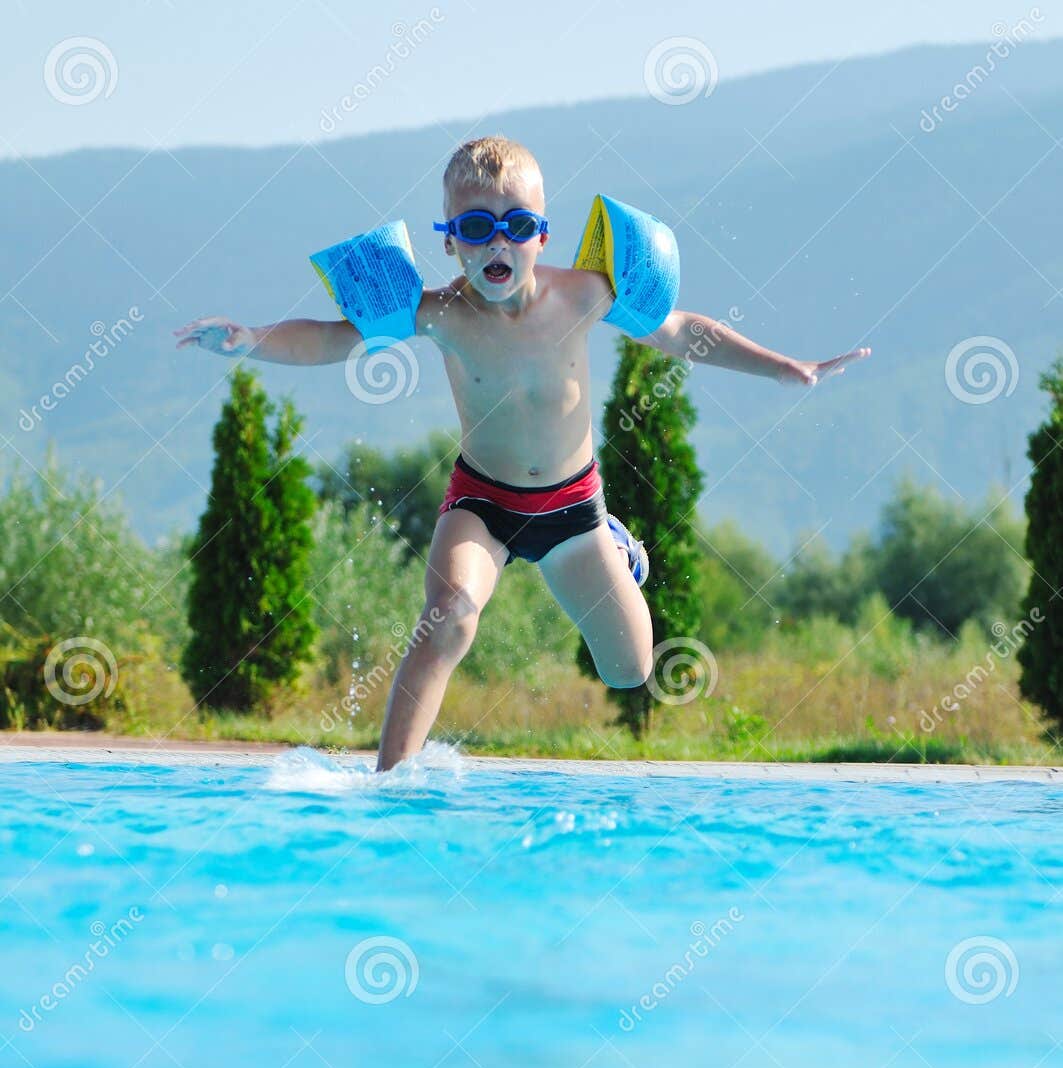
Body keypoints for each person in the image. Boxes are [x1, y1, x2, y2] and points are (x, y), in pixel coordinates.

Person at [176, 135, 870, 770]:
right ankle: (389, 781)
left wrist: (784, 367)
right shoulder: (440, 312)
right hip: (482, 503)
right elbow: (333, 339)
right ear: (450, 242)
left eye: (515, 225)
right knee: (447, 616)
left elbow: (680, 330)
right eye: (476, 228)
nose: (495, 243)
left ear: (541, 234)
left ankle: (617, 545)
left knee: (629, 669)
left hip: (574, 509)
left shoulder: (584, 296)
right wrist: (252, 338)